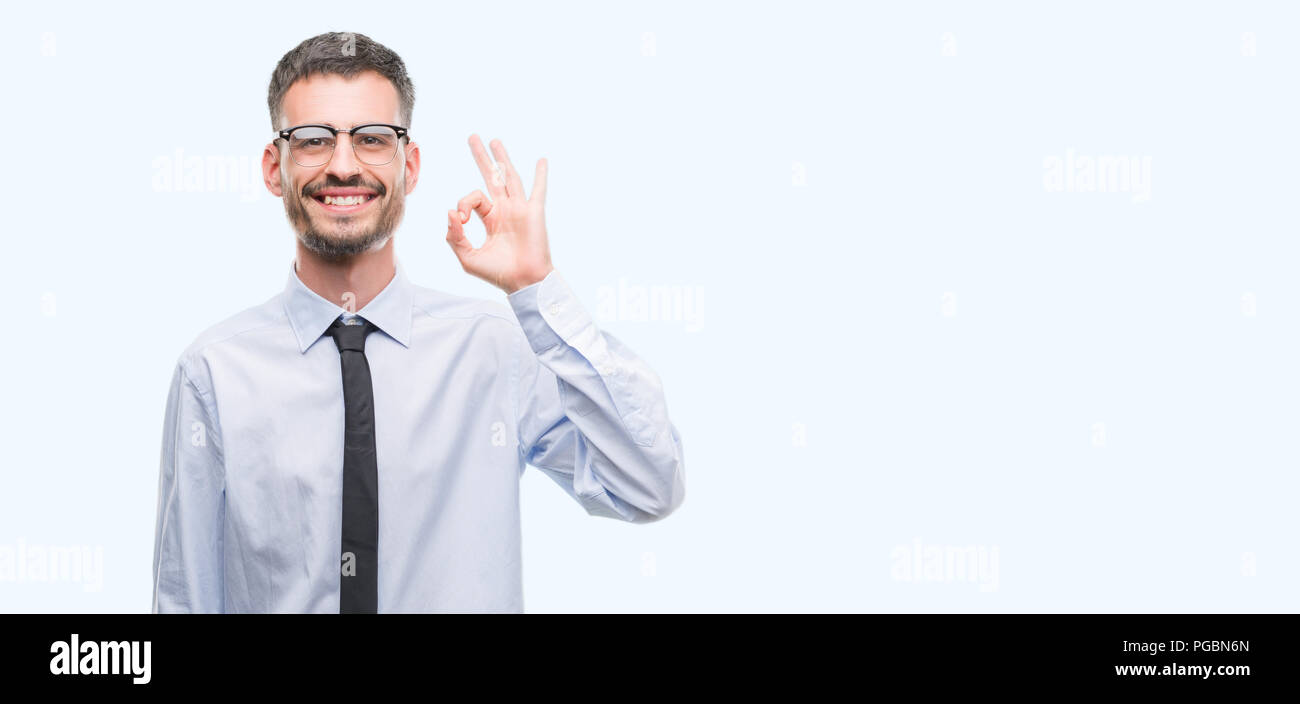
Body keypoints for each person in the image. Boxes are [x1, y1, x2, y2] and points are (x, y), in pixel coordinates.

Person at [151, 31, 685, 613]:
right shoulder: (214, 372)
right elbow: (186, 599)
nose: (344, 165)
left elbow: (649, 487)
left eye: (372, 139)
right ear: (274, 167)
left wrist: (540, 290)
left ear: (410, 165)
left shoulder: (494, 350)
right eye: (312, 140)